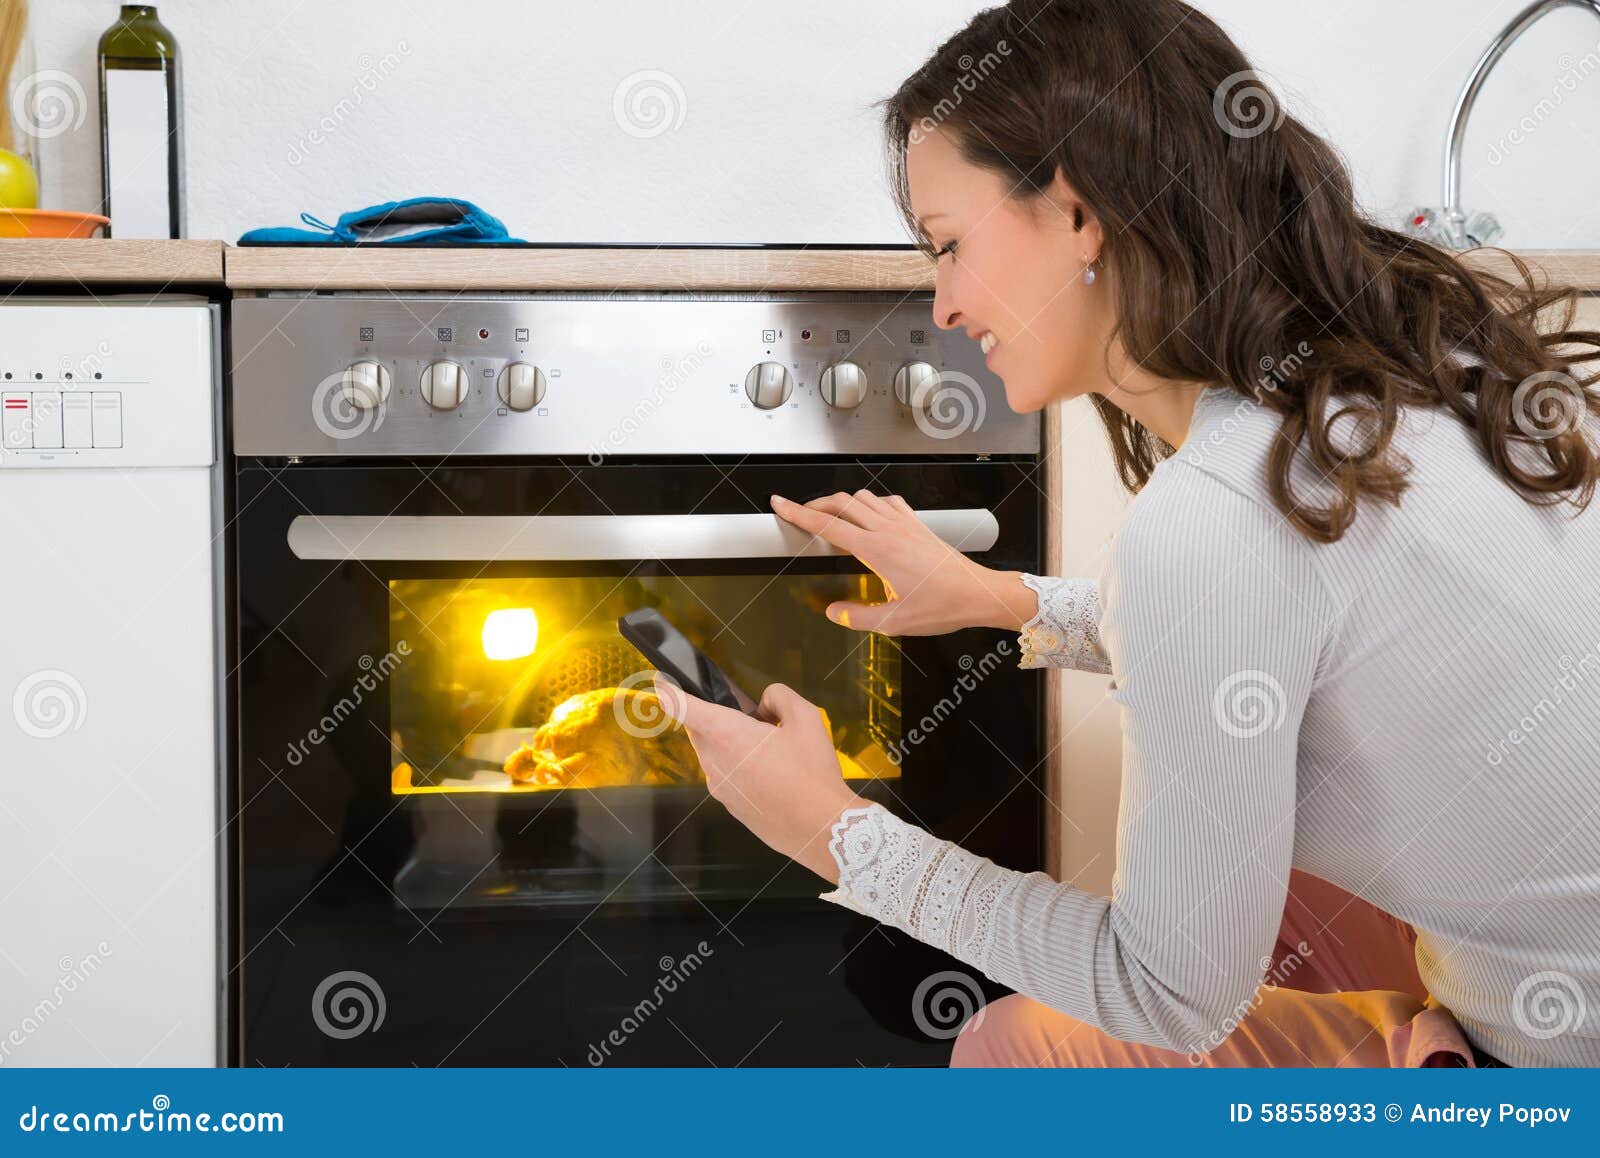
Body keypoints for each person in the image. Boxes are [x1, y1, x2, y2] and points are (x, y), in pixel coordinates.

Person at [657, 0, 1600, 1068]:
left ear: (1079, 213)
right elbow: (1321, 633)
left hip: (1552, 1080)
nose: (947, 303)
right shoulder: (1407, 372)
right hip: (1537, 985)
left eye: (949, 245)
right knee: (1253, 874)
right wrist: (1008, 603)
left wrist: (828, 829)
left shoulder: (1214, 518)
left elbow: (1165, 999)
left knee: (1019, 1049)